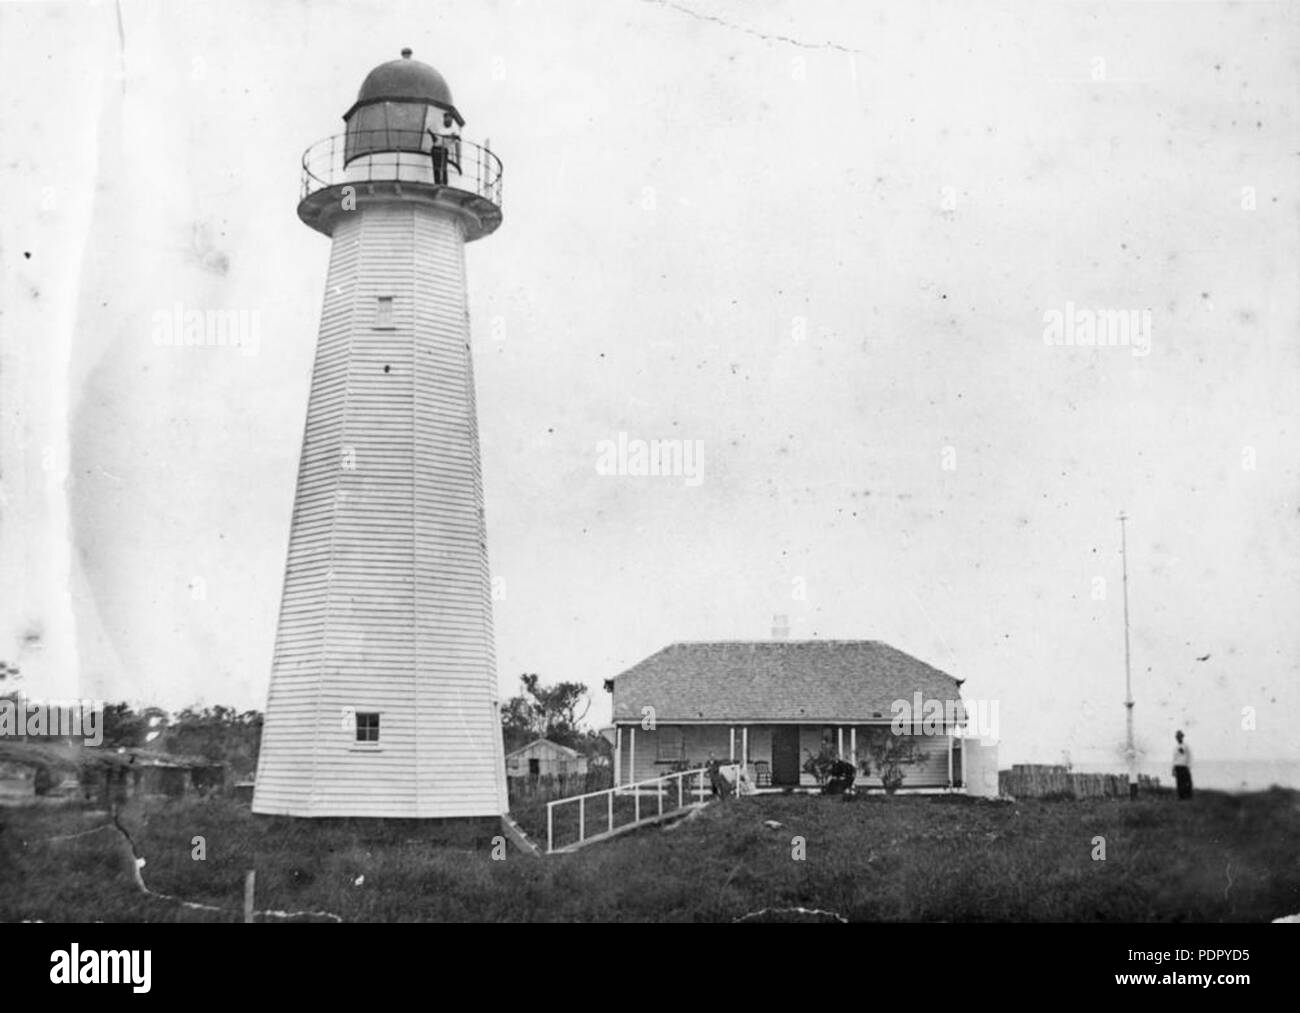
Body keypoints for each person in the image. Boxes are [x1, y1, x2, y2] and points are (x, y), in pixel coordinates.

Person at [1172, 730, 1193, 800]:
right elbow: (1174, 758)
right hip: (1177, 766)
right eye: (1177, 737)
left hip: (1184, 766)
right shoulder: (1175, 747)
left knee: (1187, 782)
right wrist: (1173, 768)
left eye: (1180, 737)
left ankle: (1188, 796)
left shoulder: (1186, 746)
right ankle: (1181, 797)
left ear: (1182, 737)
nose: (1178, 738)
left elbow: (1189, 756)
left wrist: (1189, 766)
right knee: (1179, 782)